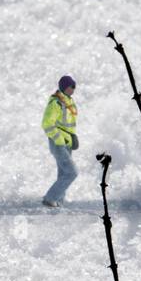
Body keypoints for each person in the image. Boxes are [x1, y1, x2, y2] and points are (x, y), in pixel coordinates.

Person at [41, 75, 79, 207]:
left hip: (66, 143)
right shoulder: (56, 103)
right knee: (72, 172)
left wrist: (72, 137)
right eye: (71, 86)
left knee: (63, 173)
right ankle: (50, 198)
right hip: (59, 144)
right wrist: (59, 139)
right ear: (64, 87)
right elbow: (47, 124)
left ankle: (58, 202)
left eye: (74, 86)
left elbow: (67, 124)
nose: (73, 89)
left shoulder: (68, 102)